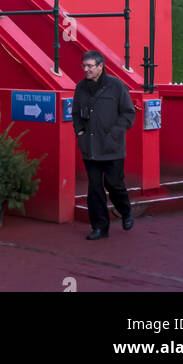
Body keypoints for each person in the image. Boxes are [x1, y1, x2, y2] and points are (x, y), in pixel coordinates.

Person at [72, 51, 136, 239]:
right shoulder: (80, 87)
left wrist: (114, 134)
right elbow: (75, 113)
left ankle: (125, 212)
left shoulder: (116, 86)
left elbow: (128, 113)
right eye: (84, 66)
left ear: (101, 66)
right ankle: (100, 227)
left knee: (114, 184)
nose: (86, 69)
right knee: (94, 188)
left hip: (112, 148)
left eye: (90, 66)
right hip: (90, 147)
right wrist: (79, 132)